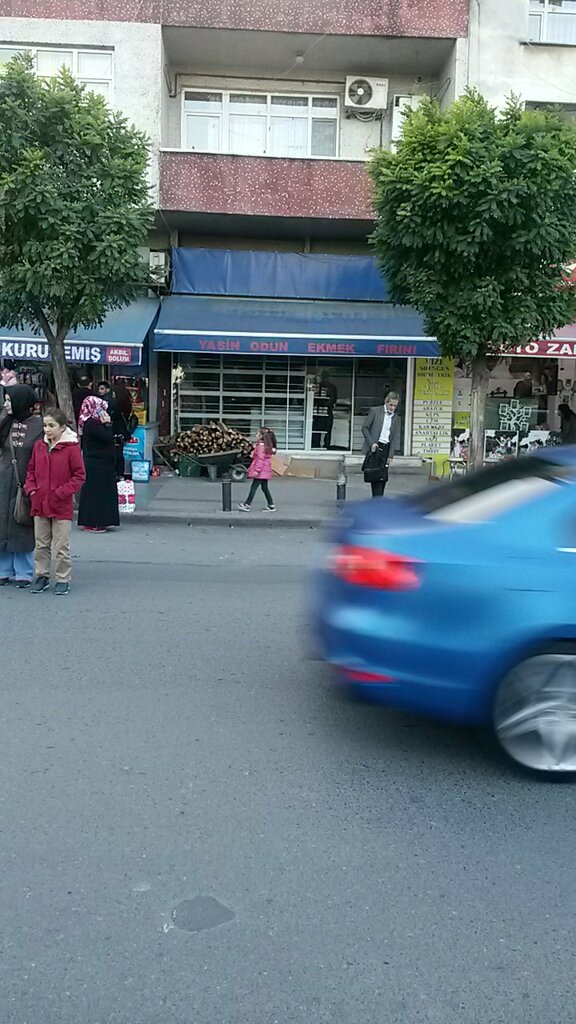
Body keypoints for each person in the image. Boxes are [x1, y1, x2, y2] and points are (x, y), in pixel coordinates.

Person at [24, 408, 86, 596]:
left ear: (62, 427)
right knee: (41, 544)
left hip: (60, 504)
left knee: (61, 545)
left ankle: (62, 578)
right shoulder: (39, 446)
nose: (47, 429)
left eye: (51, 426)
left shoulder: (71, 448)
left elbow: (79, 476)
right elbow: (31, 470)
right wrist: (32, 490)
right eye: (45, 425)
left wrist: (61, 493)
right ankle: (41, 575)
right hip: (40, 502)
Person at [0, 384, 43, 587]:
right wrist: (5, 416)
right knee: (3, 525)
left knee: (22, 524)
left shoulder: (39, 425)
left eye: (9, 400)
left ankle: (24, 571)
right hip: (3, 481)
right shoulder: (7, 421)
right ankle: (4, 569)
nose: (6, 403)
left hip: (26, 483)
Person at [77, 396, 120, 532]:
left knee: (99, 493)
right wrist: (107, 424)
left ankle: (100, 521)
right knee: (96, 494)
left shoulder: (92, 423)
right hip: (97, 464)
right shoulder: (92, 424)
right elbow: (106, 437)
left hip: (100, 463)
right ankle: (94, 522)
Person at [361, 391, 401, 498]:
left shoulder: (396, 418)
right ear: (386, 402)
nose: (392, 408)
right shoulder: (375, 411)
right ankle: (376, 499)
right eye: (391, 405)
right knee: (374, 476)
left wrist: (391, 455)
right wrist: (371, 443)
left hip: (386, 447)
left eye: (395, 406)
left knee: (383, 477)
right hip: (375, 446)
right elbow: (365, 428)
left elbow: (394, 438)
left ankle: (379, 499)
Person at [237, 428, 277, 512]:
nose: (255, 436)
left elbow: (260, 459)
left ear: (261, 436)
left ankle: (247, 504)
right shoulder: (266, 446)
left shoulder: (261, 446)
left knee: (254, 487)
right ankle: (271, 505)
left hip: (261, 471)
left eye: (257, 434)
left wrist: (256, 470)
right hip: (265, 469)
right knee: (264, 488)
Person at [109, 383, 137, 480]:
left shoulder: (116, 404)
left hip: (116, 431)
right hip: (122, 431)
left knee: (115, 454)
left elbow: (112, 416)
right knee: (119, 453)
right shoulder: (127, 403)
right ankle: (120, 474)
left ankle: (117, 473)